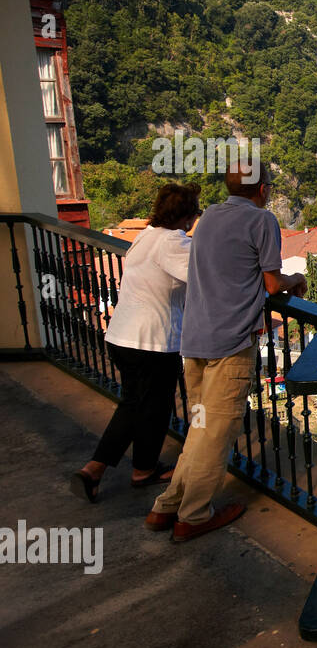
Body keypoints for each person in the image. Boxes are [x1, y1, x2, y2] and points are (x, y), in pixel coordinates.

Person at [145, 165, 306, 542]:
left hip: (194, 340)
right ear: (264, 190)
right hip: (229, 342)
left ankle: (166, 505)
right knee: (216, 434)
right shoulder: (262, 221)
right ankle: (194, 515)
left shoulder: (211, 215)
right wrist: (296, 281)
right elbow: (271, 283)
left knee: (199, 428)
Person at [73, 183, 201, 502]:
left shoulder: (147, 235)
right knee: (142, 405)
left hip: (122, 336)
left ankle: (141, 468)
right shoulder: (174, 243)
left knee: (144, 404)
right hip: (151, 341)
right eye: (195, 212)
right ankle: (97, 468)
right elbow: (207, 277)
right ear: (185, 217)